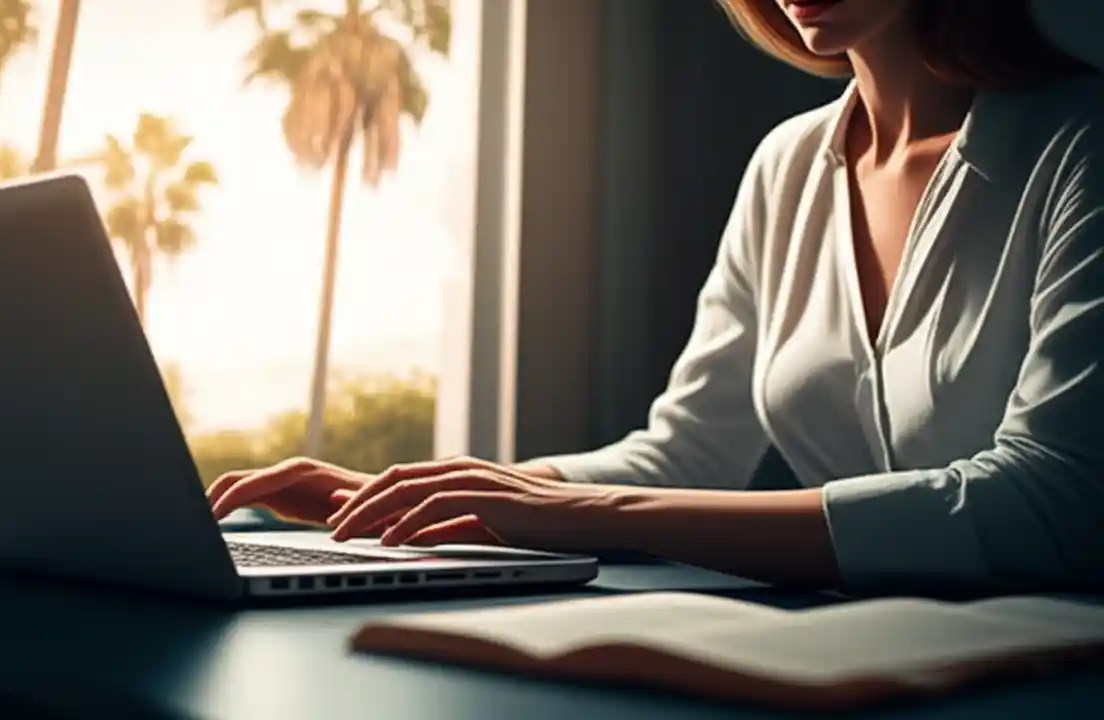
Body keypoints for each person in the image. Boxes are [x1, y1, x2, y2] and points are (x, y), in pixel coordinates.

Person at [208, 0, 1104, 594]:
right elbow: (688, 453)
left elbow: (1050, 504)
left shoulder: (1079, 145)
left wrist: (576, 514)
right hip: (857, 659)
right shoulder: (788, 166)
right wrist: (452, 495)